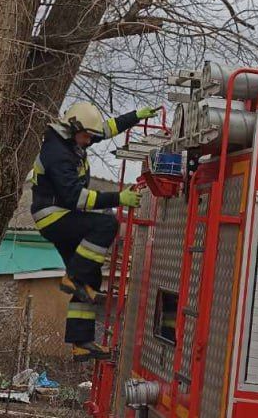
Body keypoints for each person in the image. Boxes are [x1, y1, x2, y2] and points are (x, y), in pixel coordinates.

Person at [31, 101, 161, 362]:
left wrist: (136, 116)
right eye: (86, 136)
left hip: (63, 215)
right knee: (106, 223)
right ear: (73, 127)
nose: (90, 141)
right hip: (53, 216)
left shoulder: (75, 136)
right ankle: (73, 278)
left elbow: (106, 129)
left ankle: (82, 343)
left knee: (89, 280)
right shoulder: (56, 152)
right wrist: (118, 198)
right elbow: (74, 197)